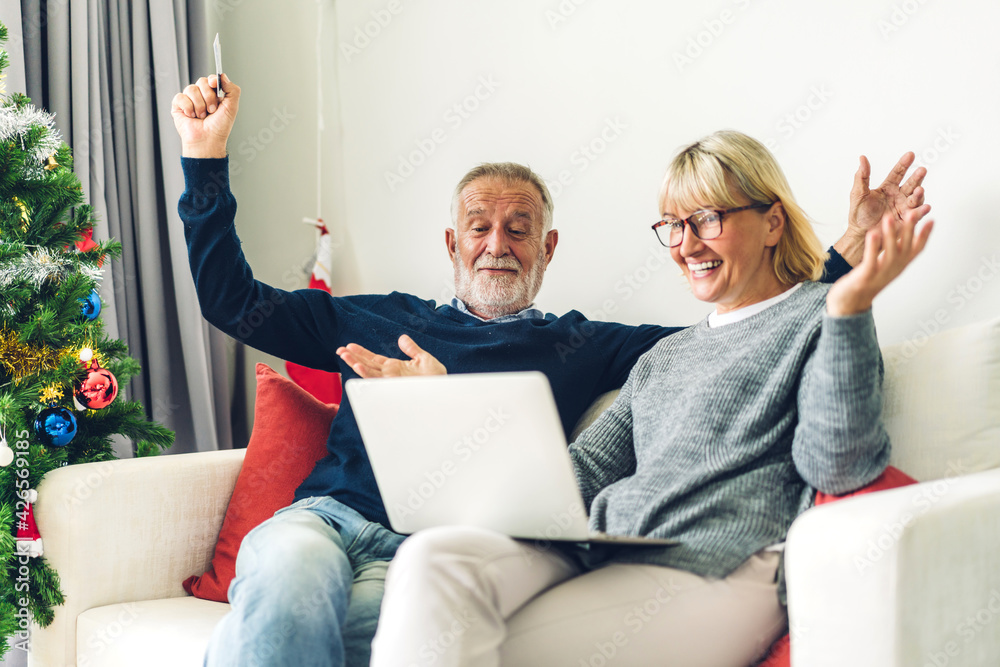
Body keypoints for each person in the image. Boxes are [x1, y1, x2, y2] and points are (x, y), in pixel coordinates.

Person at [170, 75, 930, 667]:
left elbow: (750, 333)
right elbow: (234, 301)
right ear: (452, 242)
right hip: (331, 522)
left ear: (548, 248)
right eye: (480, 226)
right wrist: (204, 160)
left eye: (519, 227)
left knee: (374, 617)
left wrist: (841, 272)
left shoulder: (588, 344)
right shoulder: (374, 317)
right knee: (295, 581)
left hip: (424, 548)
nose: (498, 242)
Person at [366, 130, 933, 667]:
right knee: (430, 559)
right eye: (672, 225)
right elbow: (585, 472)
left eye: (706, 219)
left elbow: (839, 465)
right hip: (609, 544)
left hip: (717, 562)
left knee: (493, 648)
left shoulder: (824, 315)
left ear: (771, 223)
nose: (686, 244)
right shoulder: (666, 355)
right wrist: (449, 418)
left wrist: (849, 306)